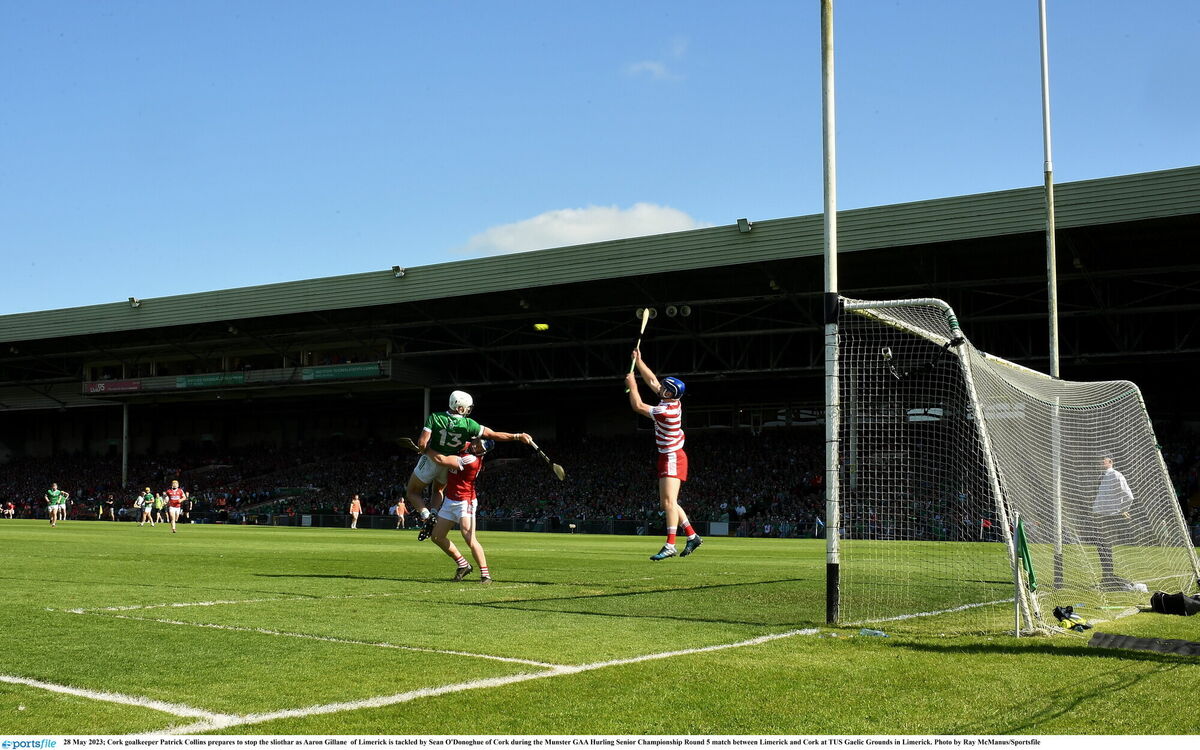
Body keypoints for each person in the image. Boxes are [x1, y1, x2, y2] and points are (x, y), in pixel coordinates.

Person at [403, 390, 533, 541]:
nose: (469, 409)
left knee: (412, 492)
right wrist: (516, 436)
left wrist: (423, 450)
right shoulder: (469, 424)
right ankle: (433, 512)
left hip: (432, 459)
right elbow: (492, 434)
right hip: (450, 462)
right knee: (438, 490)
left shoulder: (435, 417)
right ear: (460, 407)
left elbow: (422, 443)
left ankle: (425, 515)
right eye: (467, 407)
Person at [625, 349, 702, 561]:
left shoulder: (665, 411)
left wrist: (632, 385)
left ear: (671, 394)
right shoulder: (672, 400)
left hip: (673, 456)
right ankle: (692, 535)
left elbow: (638, 405)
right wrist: (639, 362)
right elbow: (652, 380)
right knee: (668, 503)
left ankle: (670, 544)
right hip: (669, 455)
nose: (661, 390)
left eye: (665, 390)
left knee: (668, 502)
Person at [424, 439, 496, 583]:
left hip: (465, 501)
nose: (475, 446)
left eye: (480, 447)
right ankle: (463, 565)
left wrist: (426, 450)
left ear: (483, 451)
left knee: (469, 538)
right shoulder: (467, 445)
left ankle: (485, 574)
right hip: (450, 499)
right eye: (476, 443)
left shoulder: (471, 460)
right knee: (437, 537)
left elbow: (441, 459)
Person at [1093, 456, 1135, 589]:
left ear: (1110, 462)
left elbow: (1128, 495)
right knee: (1101, 547)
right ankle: (1107, 575)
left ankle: (1109, 576)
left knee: (1105, 546)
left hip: (1109, 516)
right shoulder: (1102, 477)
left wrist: (1122, 510)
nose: (1100, 462)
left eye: (1103, 460)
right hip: (1099, 515)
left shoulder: (1116, 475)